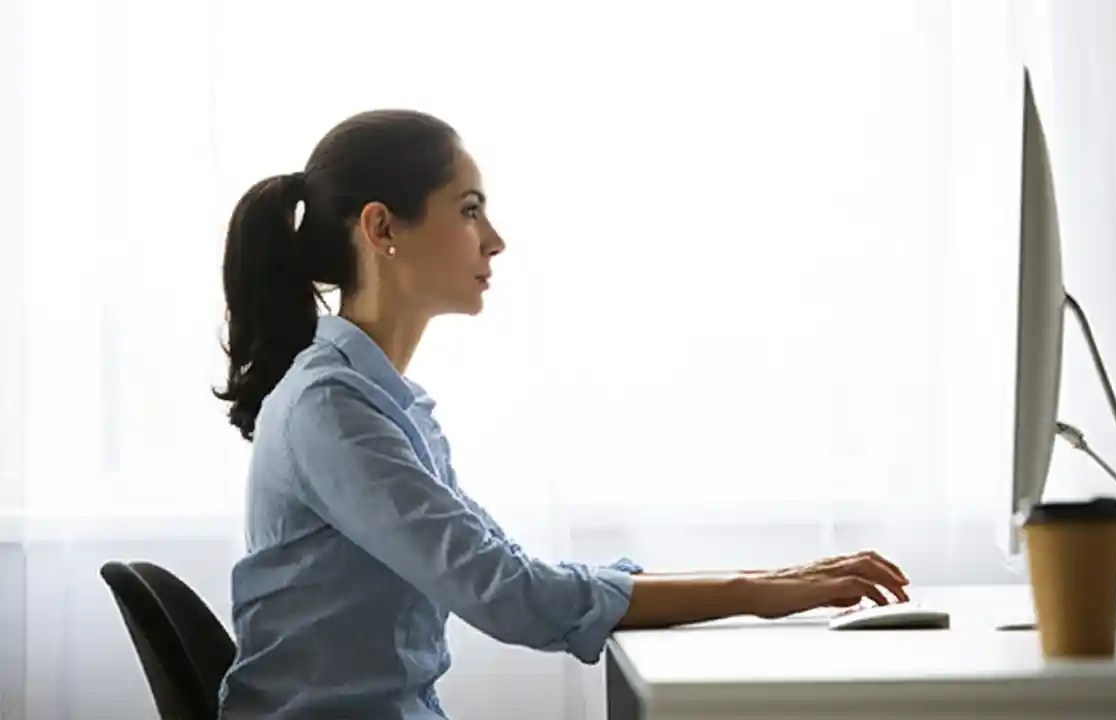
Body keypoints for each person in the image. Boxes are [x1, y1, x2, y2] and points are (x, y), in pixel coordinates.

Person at [213, 109, 911, 719]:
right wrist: (755, 594)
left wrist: (772, 580)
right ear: (381, 226)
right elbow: (512, 596)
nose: (494, 239)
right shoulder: (333, 411)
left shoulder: (382, 403)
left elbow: (512, 569)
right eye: (469, 209)